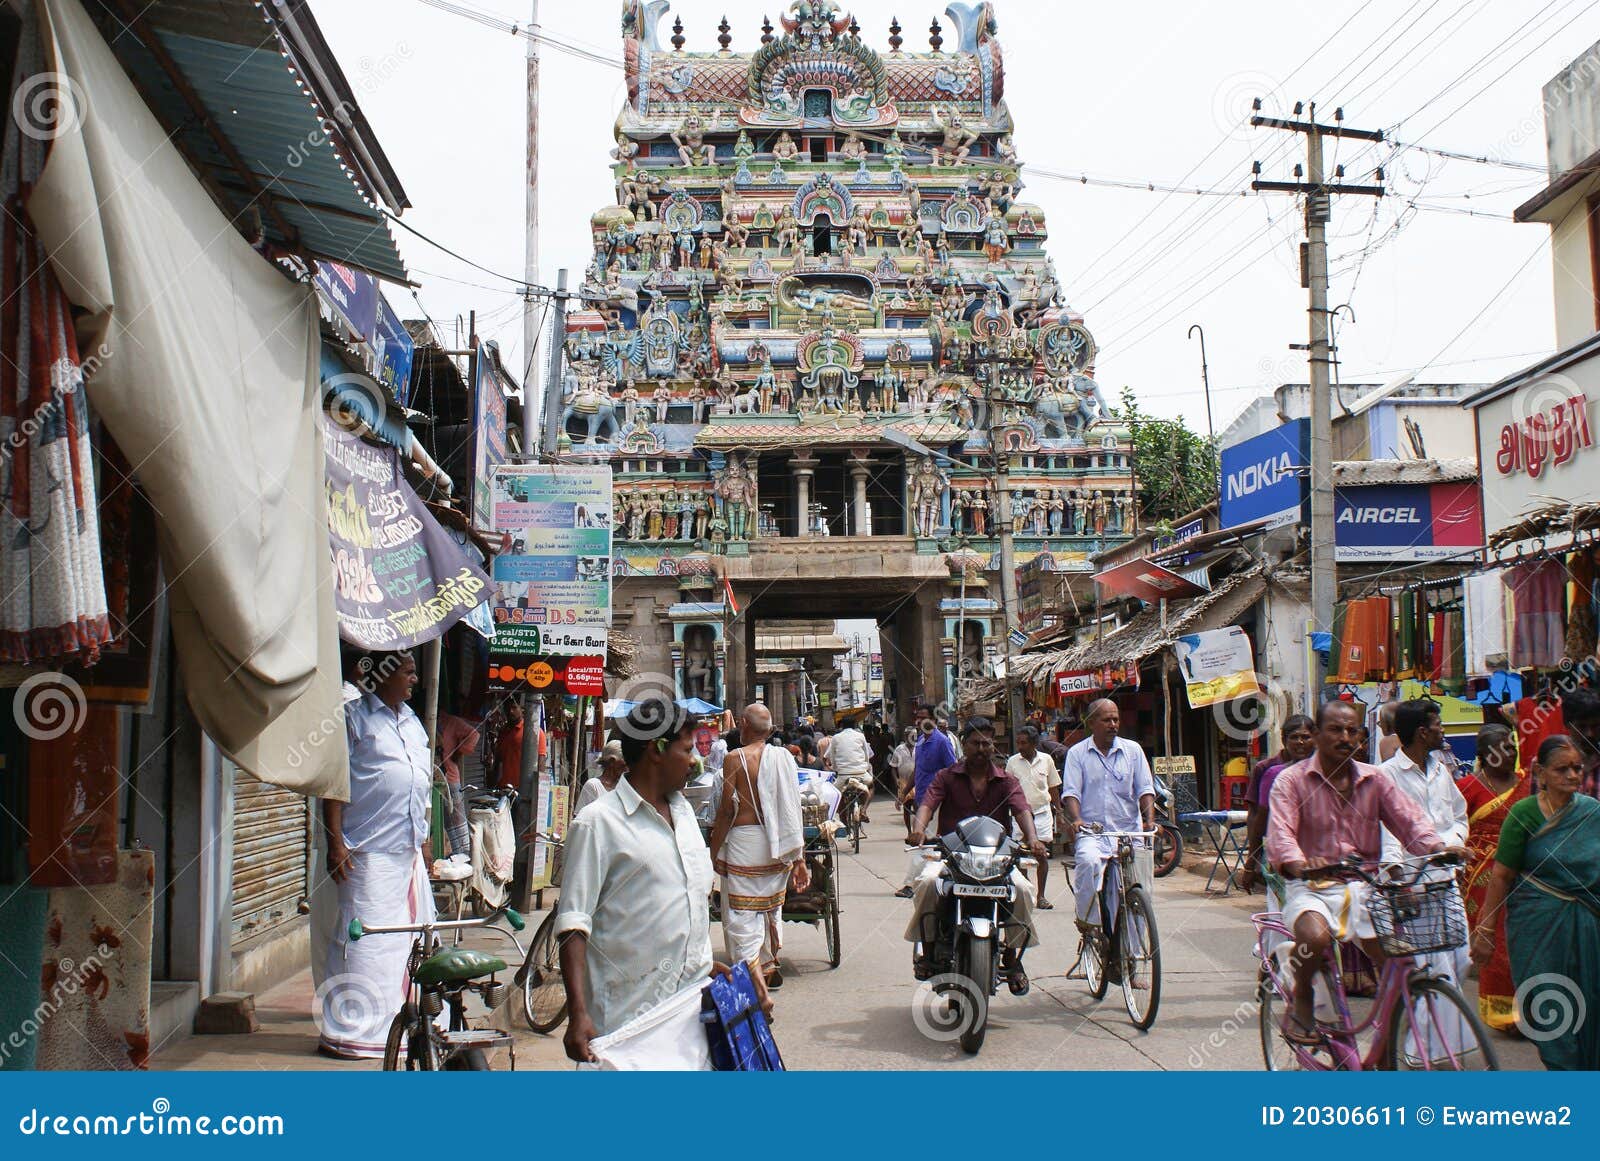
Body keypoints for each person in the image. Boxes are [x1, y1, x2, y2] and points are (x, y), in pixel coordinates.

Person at [1265, 700, 1454, 1045]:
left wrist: (1438, 849)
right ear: (1317, 735)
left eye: (1353, 731)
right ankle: (1302, 1000)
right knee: (1315, 937)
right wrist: (1301, 864)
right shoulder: (1291, 781)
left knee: (1401, 966)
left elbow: (1409, 820)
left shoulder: (1375, 780)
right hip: (1312, 888)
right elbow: (1281, 836)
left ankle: (1383, 1055)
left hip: (1367, 887)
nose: (1346, 737)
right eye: (1336, 730)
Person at [556, 701, 723, 1066]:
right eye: (687, 749)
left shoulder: (684, 814)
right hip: (627, 1027)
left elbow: (684, 904)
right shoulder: (597, 823)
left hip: (693, 1015)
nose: (695, 761)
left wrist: (707, 964)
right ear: (657, 750)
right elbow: (573, 923)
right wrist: (577, 1013)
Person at [317, 651, 434, 1059]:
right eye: (407, 671)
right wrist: (335, 842)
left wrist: (424, 843)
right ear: (382, 675)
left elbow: (421, 787)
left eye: (415, 671)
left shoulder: (412, 723)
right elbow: (333, 784)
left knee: (403, 945)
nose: (415, 679)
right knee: (364, 943)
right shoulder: (353, 718)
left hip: (405, 855)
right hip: (365, 854)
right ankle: (351, 1032)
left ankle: (393, 1028)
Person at [1472, 735, 1600, 1068]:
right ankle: (1563, 1070)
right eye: (1562, 769)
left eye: (1576, 768)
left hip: (1587, 925)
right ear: (1541, 773)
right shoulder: (1524, 814)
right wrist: (1485, 929)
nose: (1572, 775)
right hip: (1535, 927)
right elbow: (1501, 876)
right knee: (1545, 1004)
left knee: (1590, 1002)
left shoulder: (1592, 813)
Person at [906, 719, 1047, 990]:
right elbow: (928, 804)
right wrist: (919, 829)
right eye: (975, 743)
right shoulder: (946, 777)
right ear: (964, 745)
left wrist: (1033, 839)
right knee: (925, 884)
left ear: (993, 745)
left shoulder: (1007, 781)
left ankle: (1013, 956)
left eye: (987, 743)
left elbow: (1022, 810)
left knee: (1023, 890)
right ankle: (929, 947)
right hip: (952, 859)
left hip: (998, 861)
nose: (981, 748)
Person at [1379, 699, 1471, 1055]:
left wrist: (1453, 844)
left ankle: (1421, 1038)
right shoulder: (1387, 774)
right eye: (1438, 724)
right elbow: (1387, 830)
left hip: (1446, 879)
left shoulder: (1441, 770)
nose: (1442, 729)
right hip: (1413, 885)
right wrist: (1398, 880)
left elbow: (1459, 817)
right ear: (1421, 731)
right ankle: (1424, 1052)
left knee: (1460, 961)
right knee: (1435, 968)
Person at [709, 704, 808, 988]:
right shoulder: (784, 757)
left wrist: (712, 852)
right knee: (769, 910)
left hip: (744, 844)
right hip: (778, 844)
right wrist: (798, 857)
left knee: (742, 917)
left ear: (743, 724)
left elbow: (727, 811)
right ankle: (766, 965)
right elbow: (792, 807)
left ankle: (755, 981)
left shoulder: (734, 758)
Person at [1456, 722, 1528, 1033]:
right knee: (1496, 943)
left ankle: (1535, 1008)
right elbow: (1455, 827)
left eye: (1512, 745)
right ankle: (1504, 1014)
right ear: (1484, 755)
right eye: (1502, 747)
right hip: (1483, 880)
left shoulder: (1530, 782)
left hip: (1527, 871)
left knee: (1525, 940)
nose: (1510, 751)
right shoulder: (1467, 787)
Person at [1062, 700, 1156, 937]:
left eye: (1116, 719)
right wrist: (1076, 819)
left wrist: (1150, 821)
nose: (1113, 724)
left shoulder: (1133, 751)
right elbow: (1071, 792)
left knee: (1139, 896)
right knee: (1088, 861)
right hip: (1094, 833)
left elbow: (1145, 789)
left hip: (1129, 834)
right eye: (1106, 720)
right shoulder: (1077, 754)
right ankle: (1089, 924)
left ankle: (1134, 960)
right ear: (1091, 723)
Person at [1238, 714, 1315, 900]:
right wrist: (1252, 860)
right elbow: (1257, 816)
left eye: (1306, 737)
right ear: (1284, 740)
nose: (1300, 742)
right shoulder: (1270, 771)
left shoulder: (1324, 771)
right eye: (1295, 737)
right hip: (1282, 853)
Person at [895, 718, 958, 897]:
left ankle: (910, 885)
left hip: (937, 800)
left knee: (925, 842)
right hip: (921, 798)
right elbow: (918, 770)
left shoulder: (942, 742)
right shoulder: (921, 741)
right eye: (919, 717)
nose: (921, 721)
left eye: (925, 716)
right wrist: (905, 791)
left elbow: (952, 768)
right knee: (931, 843)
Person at [1006, 725, 1062, 908]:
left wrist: (1059, 811)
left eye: (1024, 743)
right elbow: (1007, 789)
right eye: (1018, 743)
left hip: (1042, 811)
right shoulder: (1013, 762)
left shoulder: (1046, 760)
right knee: (1020, 854)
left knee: (1041, 854)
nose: (1020, 747)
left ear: (1034, 744)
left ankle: (1041, 896)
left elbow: (1053, 787)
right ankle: (1025, 893)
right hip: (1020, 813)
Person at [435, 712, 480, 859]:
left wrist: (458, 751)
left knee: (457, 823)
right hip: (433, 781)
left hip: (450, 779)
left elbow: (474, 735)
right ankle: (451, 857)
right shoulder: (420, 721)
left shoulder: (451, 721)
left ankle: (463, 858)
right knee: (444, 825)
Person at [830, 721, 874, 823]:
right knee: (871, 786)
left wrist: (836, 769)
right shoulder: (860, 736)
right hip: (860, 773)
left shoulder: (836, 738)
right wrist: (865, 767)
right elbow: (866, 755)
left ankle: (843, 820)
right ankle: (863, 810)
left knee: (836, 794)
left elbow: (832, 757)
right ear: (854, 726)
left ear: (841, 726)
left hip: (843, 775)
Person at [1562, 687, 1600, 796]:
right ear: (1567, 724)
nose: (1589, 734)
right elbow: (1536, 811)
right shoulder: (1545, 764)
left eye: (1595, 726)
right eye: (1581, 726)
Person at [575, 739, 627, 817]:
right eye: (626, 761)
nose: (628, 766)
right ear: (612, 761)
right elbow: (579, 818)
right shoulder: (593, 785)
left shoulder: (624, 787)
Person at [494, 700, 525, 790]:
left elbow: (540, 763)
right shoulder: (503, 732)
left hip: (521, 789)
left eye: (514, 708)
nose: (510, 711)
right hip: (502, 787)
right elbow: (498, 760)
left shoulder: (532, 733)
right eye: (507, 708)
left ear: (522, 709)